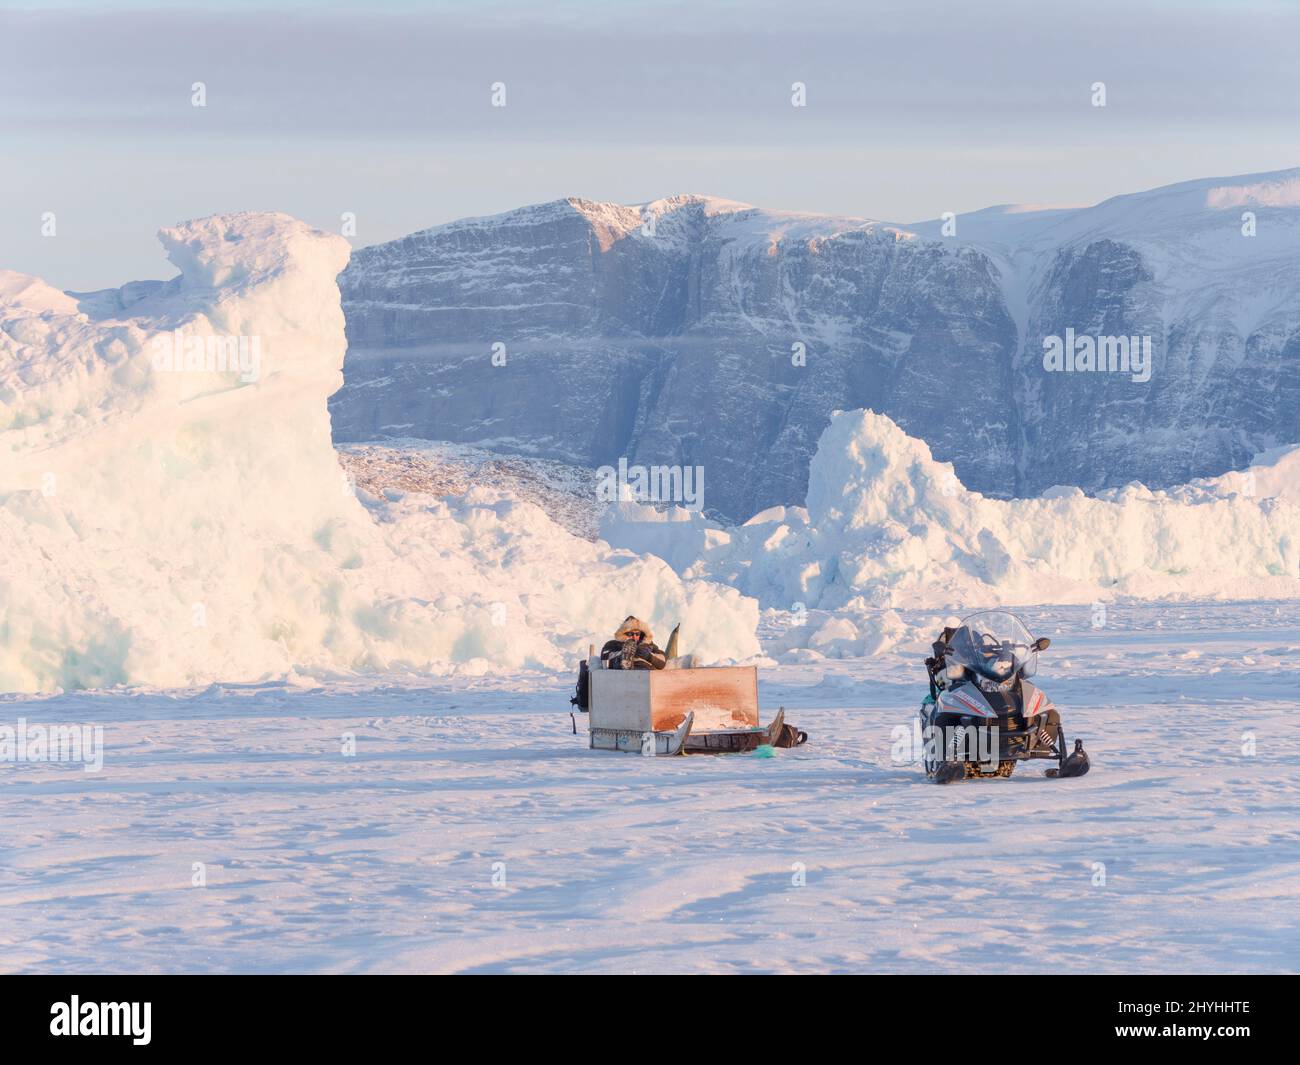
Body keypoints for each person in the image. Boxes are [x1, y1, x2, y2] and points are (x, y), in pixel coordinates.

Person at [600, 616, 667, 670]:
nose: (634, 637)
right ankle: (626, 661)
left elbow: (663, 660)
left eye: (637, 634)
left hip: (647, 670)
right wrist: (623, 653)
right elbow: (605, 659)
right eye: (630, 634)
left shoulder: (649, 645)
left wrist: (649, 656)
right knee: (622, 660)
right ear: (623, 634)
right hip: (624, 672)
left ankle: (627, 662)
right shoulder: (614, 644)